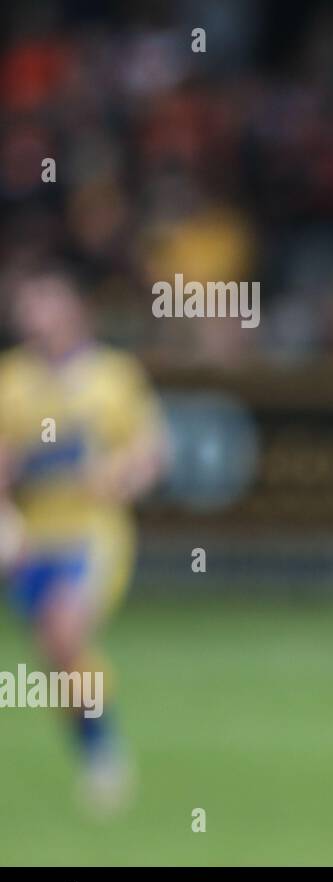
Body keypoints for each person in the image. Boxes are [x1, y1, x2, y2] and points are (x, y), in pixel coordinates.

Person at [0, 268, 168, 815]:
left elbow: (151, 450)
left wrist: (123, 475)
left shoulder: (113, 375)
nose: (36, 317)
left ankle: (104, 762)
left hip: (93, 536)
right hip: (31, 542)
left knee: (63, 630)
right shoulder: (12, 380)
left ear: (73, 309)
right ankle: (98, 746)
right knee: (59, 655)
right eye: (28, 306)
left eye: (46, 303)